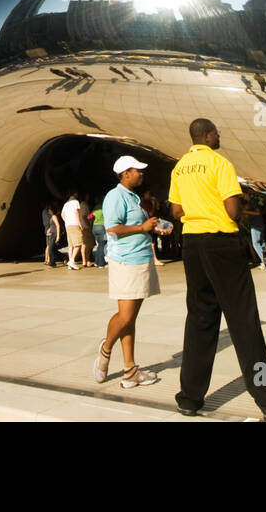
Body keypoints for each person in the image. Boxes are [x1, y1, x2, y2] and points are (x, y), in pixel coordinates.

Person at [170, 118, 266, 421]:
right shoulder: (220, 163)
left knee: (200, 319)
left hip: (192, 243)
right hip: (221, 242)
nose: (219, 135)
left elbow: (176, 210)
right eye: (217, 131)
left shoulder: (179, 166)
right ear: (208, 135)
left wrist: (198, 207)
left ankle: (190, 399)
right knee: (243, 320)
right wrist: (238, 209)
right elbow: (232, 209)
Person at [95, 156, 161, 389]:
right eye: (137, 170)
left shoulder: (133, 196)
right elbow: (112, 228)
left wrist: (153, 226)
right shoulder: (115, 196)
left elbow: (135, 226)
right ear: (125, 173)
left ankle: (129, 370)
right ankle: (106, 349)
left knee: (130, 318)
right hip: (126, 261)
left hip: (140, 258)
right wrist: (142, 227)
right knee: (125, 316)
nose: (141, 173)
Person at [61, 193, 85, 270]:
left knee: (71, 245)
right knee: (78, 243)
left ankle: (70, 264)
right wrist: (79, 223)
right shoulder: (76, 202)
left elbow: (62, 214)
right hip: (74, 224)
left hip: (68, 225)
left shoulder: (66, 204)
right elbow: (76, 212)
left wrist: (66, 221)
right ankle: (71, 261)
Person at [244, 192, 266, 270]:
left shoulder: (252, 202)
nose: (242, 195)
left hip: (256, 225)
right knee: (262, 243)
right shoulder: (253, 201)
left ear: (247, 194)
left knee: (255, 244)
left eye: (244, 194)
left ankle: (264, 262)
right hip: (260, 224)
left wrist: (245, 212)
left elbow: (257, 213)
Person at [91, 202, 108, 268]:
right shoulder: (105, 207)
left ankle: (96, 262)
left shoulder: (96, 207)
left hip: (95, 227)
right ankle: (101, 263)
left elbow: (90, 216)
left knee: (99, 245)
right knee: (102, 245)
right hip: (102, 227)